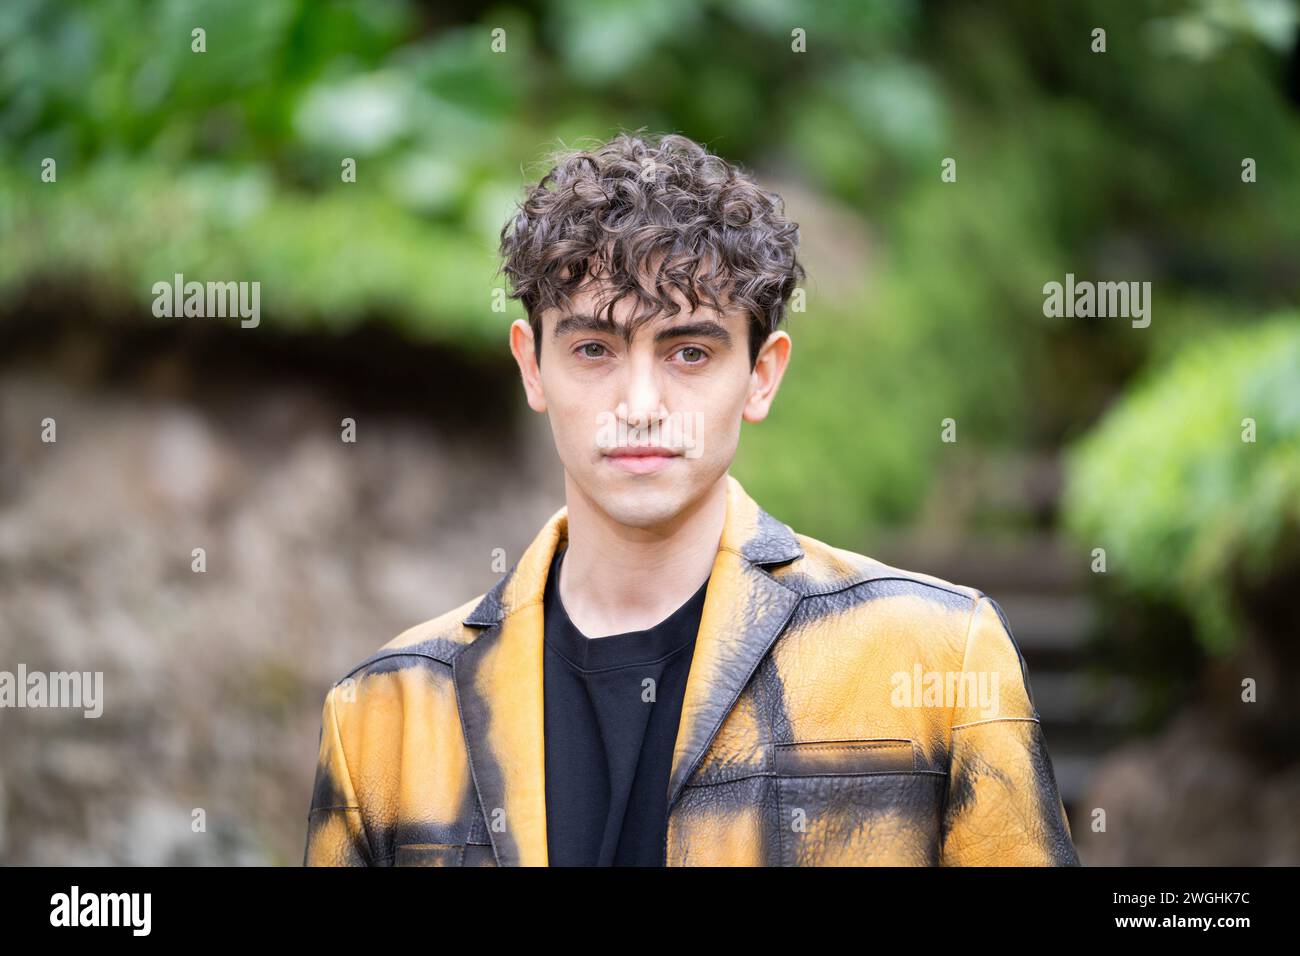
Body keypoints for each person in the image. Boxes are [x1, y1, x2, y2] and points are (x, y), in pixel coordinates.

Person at [303, 131, 1080, 866]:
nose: (641, 402)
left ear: (762, 374)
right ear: (532, 366)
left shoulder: (938, 655)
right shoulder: (387, 715)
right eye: (593, 349)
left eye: (690, 351)